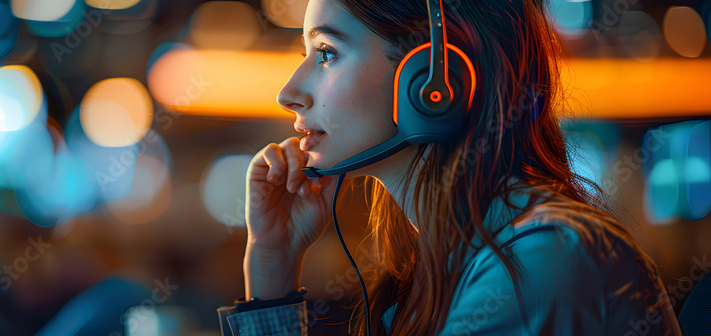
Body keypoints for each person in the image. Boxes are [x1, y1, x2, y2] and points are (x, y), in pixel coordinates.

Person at [215, 0, 682, 335]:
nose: (288, 92)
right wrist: (272, 271)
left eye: (326, 53)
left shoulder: (542, 259)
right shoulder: (438, 270)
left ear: (432, 83)